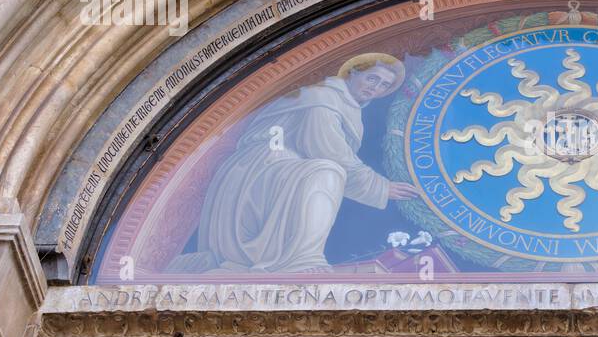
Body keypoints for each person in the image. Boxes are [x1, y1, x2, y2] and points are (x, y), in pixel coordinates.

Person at [168, 52, 418, 273]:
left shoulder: (347, 105)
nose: (376, 88)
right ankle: (301, 260)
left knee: (327, 172)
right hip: (260, 171)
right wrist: (381, 187)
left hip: (282, 173)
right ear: (353, 72)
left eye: (384, 85)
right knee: (328, 172)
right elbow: (332, 152)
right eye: (372, 79)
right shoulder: (322, 98)